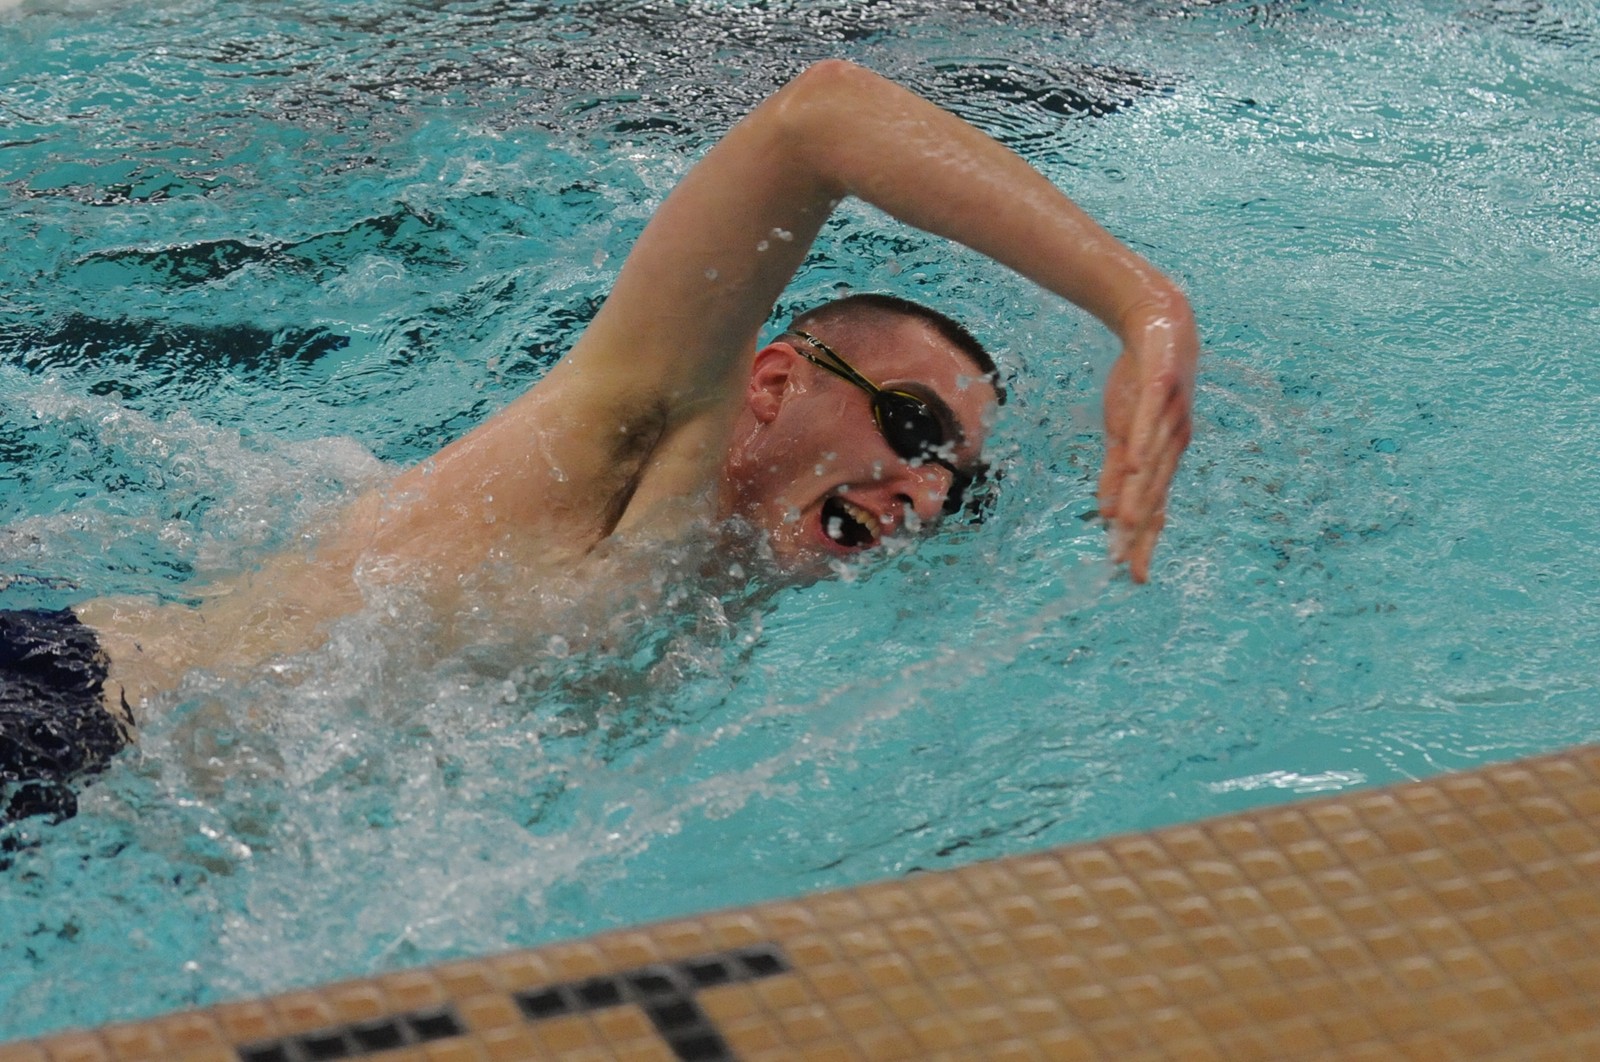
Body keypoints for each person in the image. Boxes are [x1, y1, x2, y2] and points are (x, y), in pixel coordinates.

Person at [1, 60, 1198, 820]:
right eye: (913, 422)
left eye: (957, 485)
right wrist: (1143, 310)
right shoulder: (629, 439)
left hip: (115, 828)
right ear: (777, 380)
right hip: (64, 724)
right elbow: (817, 121)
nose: (924, 493)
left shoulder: (713, 609)